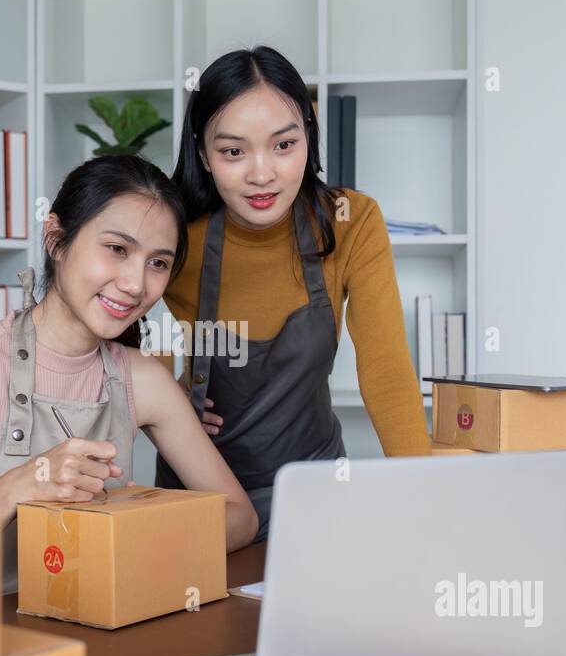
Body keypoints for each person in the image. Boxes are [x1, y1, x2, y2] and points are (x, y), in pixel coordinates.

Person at [0, 155, 258, 592]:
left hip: (99, 622)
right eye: (117, 250)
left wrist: (134, 534)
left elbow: (240, 516)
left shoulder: (143, 380)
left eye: (157, 263)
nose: (136, 284)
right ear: (56, 239)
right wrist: (17, 486)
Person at [155, 45, 430, 541]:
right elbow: (101, 318)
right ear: (202, 153)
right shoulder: (174, 231)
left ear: (309, 135)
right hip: (201, 502)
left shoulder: (352, 221)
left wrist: (427, 501)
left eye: (284, 145)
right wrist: (154, 398)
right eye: (233, 151)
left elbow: (387, 371)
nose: (262, 174)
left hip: (316, 494)